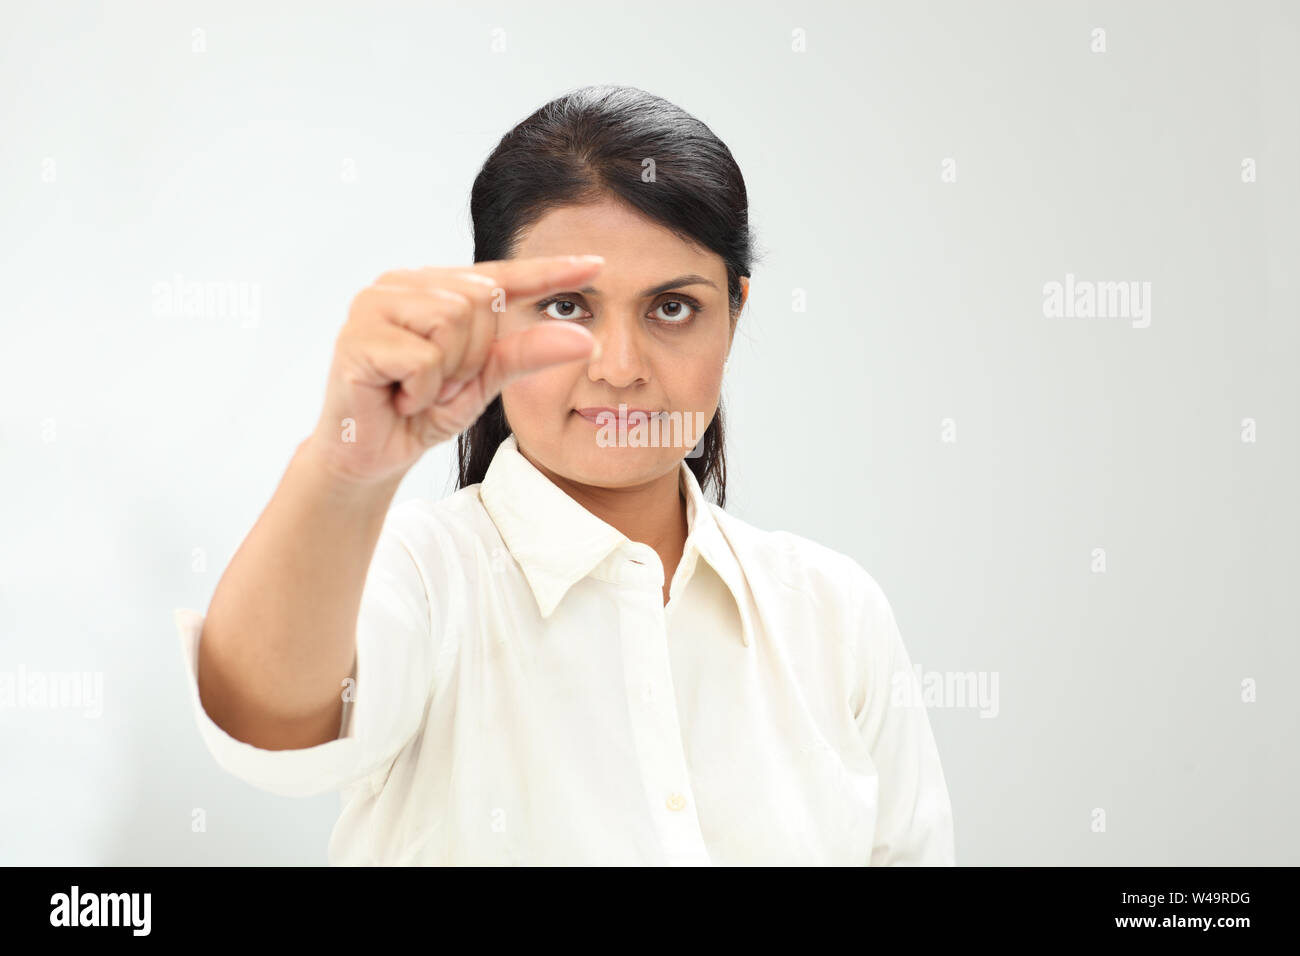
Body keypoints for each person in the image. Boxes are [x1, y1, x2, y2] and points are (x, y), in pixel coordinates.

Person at [174, 84, 955, 866]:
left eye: (672, 308)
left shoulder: (831, 610)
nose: (619, 369)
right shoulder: (419, 576)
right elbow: (263, 724)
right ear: (492, 313)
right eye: (566, 307)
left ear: (735, 312)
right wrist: (344, 472)